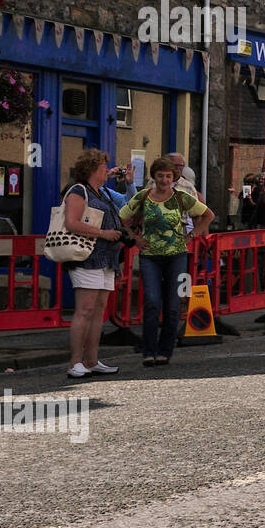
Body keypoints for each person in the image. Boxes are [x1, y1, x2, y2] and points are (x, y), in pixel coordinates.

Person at [119, 157, 215, 366]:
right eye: (160, 175)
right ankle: (149, 351)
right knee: (152, 302)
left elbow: (208, 214)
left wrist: (192, 236)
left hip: (177, 256)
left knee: (173, 305)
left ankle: (165, 351)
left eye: (168, 176)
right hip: (150, 257)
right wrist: (135, 237)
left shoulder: (181, 197)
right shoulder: (144, 196)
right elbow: (123, 215)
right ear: (154, 176)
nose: (164, 180)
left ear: (174, 178)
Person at [62, 149, 129, 379]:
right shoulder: (78, 191)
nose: (106, 170)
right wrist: (103, 233)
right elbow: (71, 222)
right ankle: (75, 362)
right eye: (102, 167)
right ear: (92, 169)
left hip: (106, 259)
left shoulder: (103, 193)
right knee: (85, 309)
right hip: (86, 258)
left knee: (99, 310)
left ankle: (91, 360)